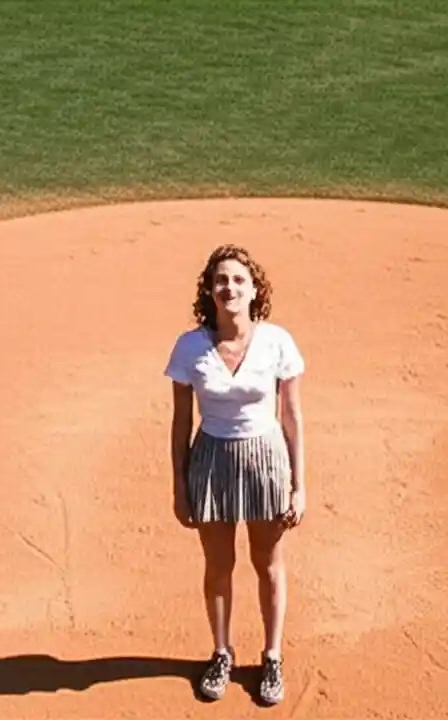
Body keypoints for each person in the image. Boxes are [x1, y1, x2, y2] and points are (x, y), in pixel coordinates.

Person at [163, 243, 306, 705]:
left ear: (253, 289)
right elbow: (181, 421)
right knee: (218, 565)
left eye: (239, 280)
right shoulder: (190, 347)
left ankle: (271, 658)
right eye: (221, 280)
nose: (230, 287)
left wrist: (299, 485)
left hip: (266, 460)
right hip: (211, 461)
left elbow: (292, 417)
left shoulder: (277, 341)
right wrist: (180, 485)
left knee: (267, 563)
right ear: (209, 289)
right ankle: (221, 652)